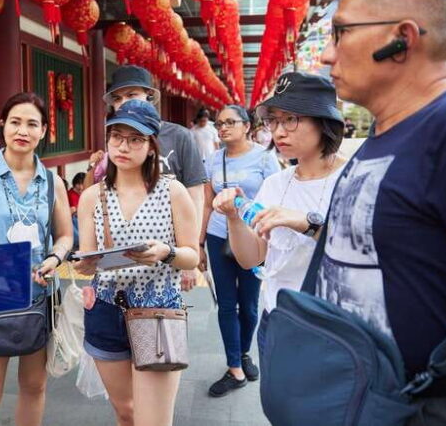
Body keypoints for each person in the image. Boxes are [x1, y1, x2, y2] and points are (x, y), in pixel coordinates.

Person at [312, 0, 446, 425]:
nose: (326, 56)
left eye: (340, 33)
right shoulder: (385, 131)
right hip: (362, 401)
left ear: (402, 39)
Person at [0, 92, 74, 426]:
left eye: (32, 123)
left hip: (38, 295)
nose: (23, 130)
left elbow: (65, 235)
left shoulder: (52, 181)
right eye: (15, 122)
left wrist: (55, 257)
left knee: (34, 387)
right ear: (3, 125)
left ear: (44, 131)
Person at [75, 100, 199, 426]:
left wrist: (166, 253)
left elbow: (192, 256)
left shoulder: (172, 192)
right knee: (126, 412)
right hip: (105, 309)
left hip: (157, 311)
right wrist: (81, 266)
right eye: (116, 136)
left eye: (135, 139)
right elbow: (88, 261)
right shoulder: (92, 197)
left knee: (153, 421)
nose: (123, 146)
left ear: (151, 145)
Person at [212, 73, 346, 363]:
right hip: (276, 318)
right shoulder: (275, 183)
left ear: (323, 121)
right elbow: (253, 259)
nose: (279, 132)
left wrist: (305, 223)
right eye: (274, 120)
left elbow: (362, 247)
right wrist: (234, 218)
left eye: (291, 120)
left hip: (333, 326)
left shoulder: (350, 179)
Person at [83, 65, 208, 290]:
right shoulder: (117, 140)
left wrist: (191, 253)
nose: (124, 102)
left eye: (132, 95)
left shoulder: (180, 137)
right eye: (118, 98)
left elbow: (195, 196)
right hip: (118, 267)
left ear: (149, 96)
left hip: (167, 257)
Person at [200, 104, 280, 397]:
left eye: (230, 122)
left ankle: (244, 352)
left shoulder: (265, 158)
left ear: (247, 126)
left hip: (254, 238)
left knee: (248, 304)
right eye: (219, 124)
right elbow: (207, 203)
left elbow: (273, 201)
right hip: (219, 236)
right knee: (226, 303)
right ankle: (234, 366)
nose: (223, 128)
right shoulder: (212, 159)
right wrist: (198, 244)